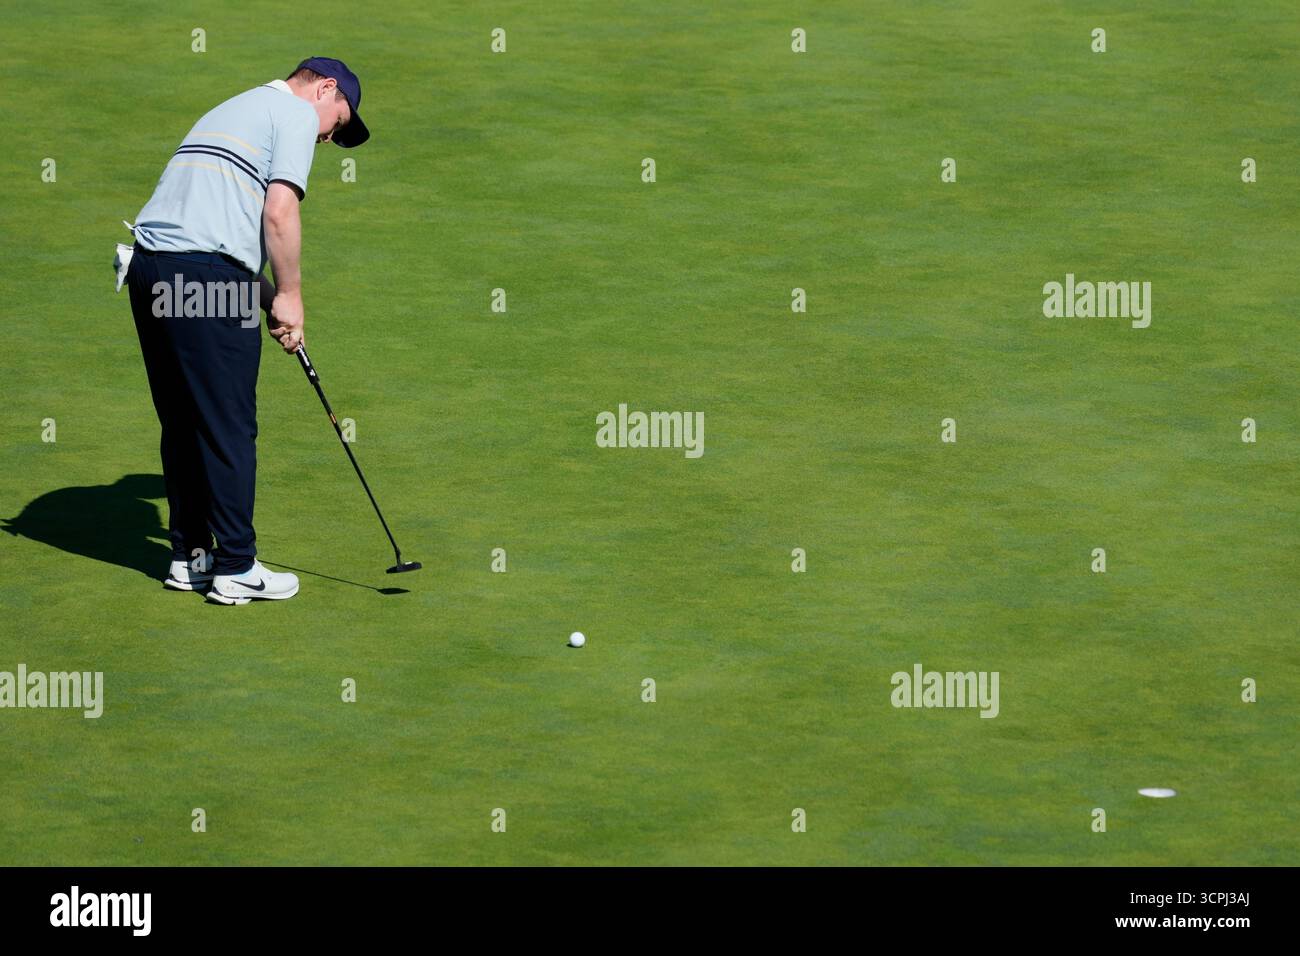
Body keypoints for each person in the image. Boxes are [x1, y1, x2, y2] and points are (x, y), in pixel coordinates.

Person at [122, 57, 369, 605]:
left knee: (185, 419)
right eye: (339, 120)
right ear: (325, 89)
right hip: (204, 273)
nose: (329, 136)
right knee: (229, 422)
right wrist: (290, 297)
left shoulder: (233, 106)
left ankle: (191, 557)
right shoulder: (297, 115)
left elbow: (208, 233)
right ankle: (235, 566)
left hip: (149, 270)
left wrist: (262, 300)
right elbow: (278, 214)